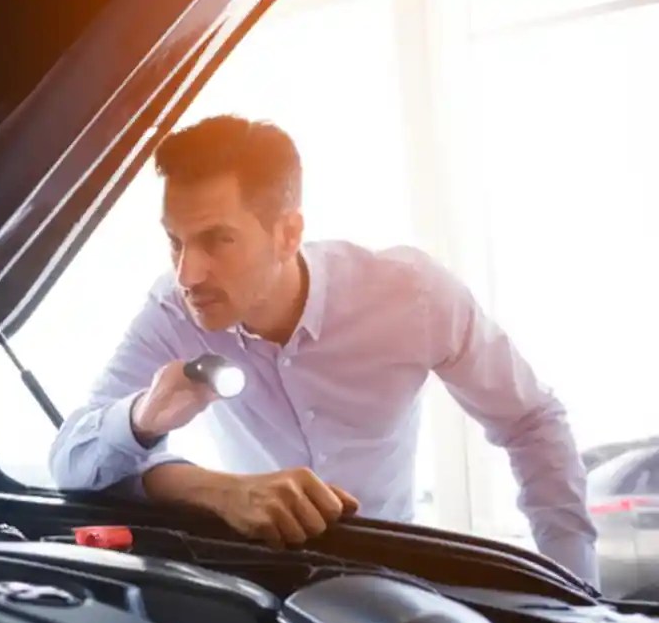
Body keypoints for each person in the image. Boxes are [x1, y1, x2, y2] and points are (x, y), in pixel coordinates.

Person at [47, 114, 598, 585]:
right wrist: (153, 430)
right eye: (175, 241)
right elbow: (70, 459)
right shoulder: (172, 310)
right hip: (260, 587)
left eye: (218, 240)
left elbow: (531, 421)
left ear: (288, 234)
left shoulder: (412, 295)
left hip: (395, 581)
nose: (188, 274)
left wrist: (575, 588)